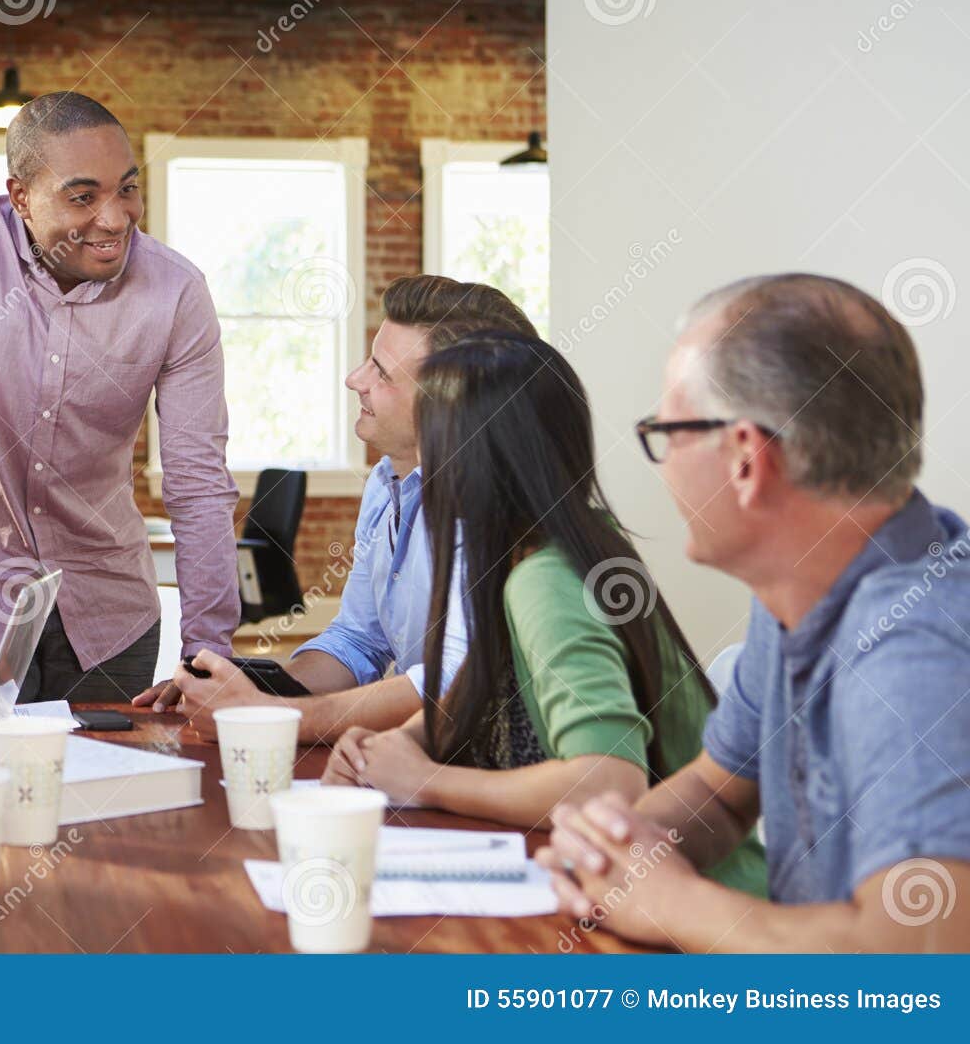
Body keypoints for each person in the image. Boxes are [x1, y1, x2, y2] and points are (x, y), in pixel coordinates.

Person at [541, 273, 970, 951]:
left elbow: (922, 961)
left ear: (745, 456)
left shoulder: (915, 648)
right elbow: (719, 790)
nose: (662, 463)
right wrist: (607, 851)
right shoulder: (797, 590)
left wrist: (675, 902)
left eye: (668, 432)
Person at [320, 330, 766, 893]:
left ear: (471, 460)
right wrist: (397, 747)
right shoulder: (537, 552)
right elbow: (476, 691)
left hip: (691, 924)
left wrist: (428, 781)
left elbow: (608, 784)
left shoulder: (546, 578)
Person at [0, 91, 239, 711]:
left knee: (105, 803)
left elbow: (197, 481)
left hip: (109, 615)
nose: (115, 218)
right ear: (20, 197)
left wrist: (207, 651)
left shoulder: (176, 292)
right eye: (83, 197)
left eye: (127, 189)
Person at [136, 275, 537, 744]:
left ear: (450, 403)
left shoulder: (490, 509)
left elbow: (453, 680)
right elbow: (356, 642)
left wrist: (271, 718)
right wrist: (246, 693)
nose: (355, 380)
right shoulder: (388, 484)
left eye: (381, 372)